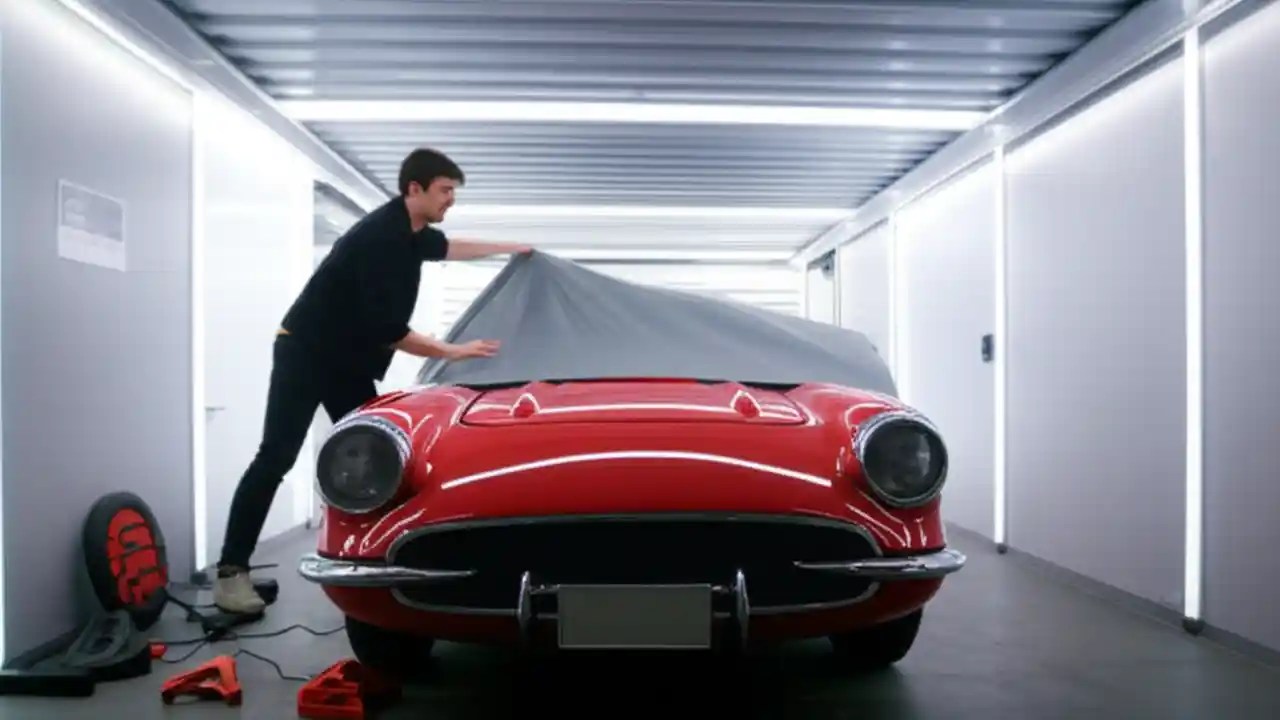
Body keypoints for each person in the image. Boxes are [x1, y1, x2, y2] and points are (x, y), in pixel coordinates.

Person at [213, 148, 531, 614]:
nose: (451, 200)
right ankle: (230, 575)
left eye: (453, 192)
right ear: (414, 189)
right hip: (306, 351)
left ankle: (381, 555)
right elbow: (390, 331)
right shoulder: (381, 238)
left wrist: (515, 249)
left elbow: (450, 247)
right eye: (445, 190)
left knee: (378, 453)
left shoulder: (411, 233)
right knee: (277, 455)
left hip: (346, 357)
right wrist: (454, 351)